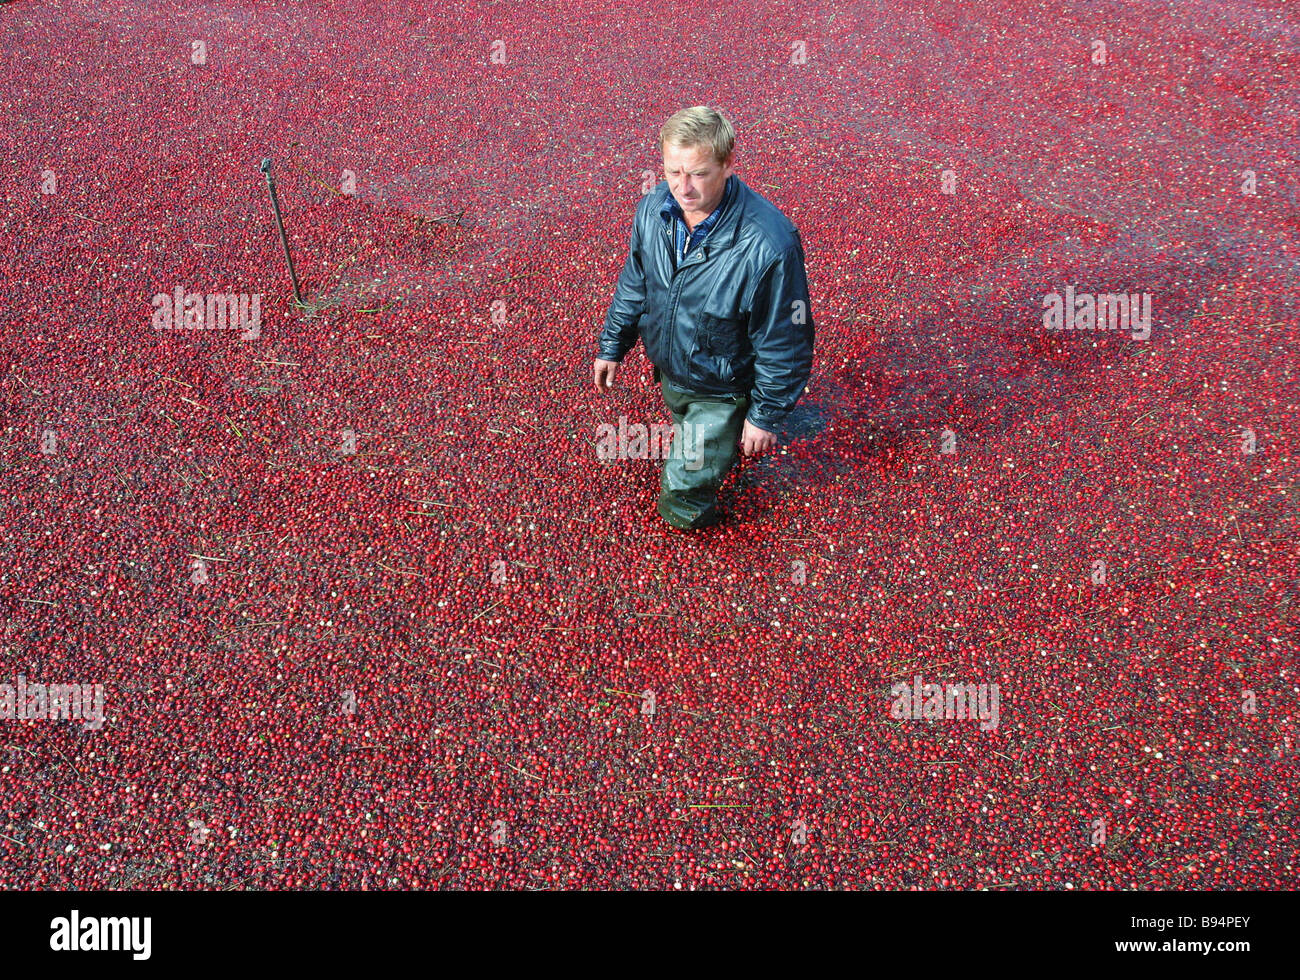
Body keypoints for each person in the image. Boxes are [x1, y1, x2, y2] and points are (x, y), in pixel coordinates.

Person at [594, 105, 815, 531]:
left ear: (729, 163)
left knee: (682, 482)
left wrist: (763, 417)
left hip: (723, 387)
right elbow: (636, 282)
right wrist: (613, 344)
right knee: (686, 427)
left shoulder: (769, 246)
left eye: (698, 173)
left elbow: (785, 340)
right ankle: (717, 450)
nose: (683, 187)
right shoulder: (654, 211)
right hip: (673, 370)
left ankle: (689, 522)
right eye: (673, 171)